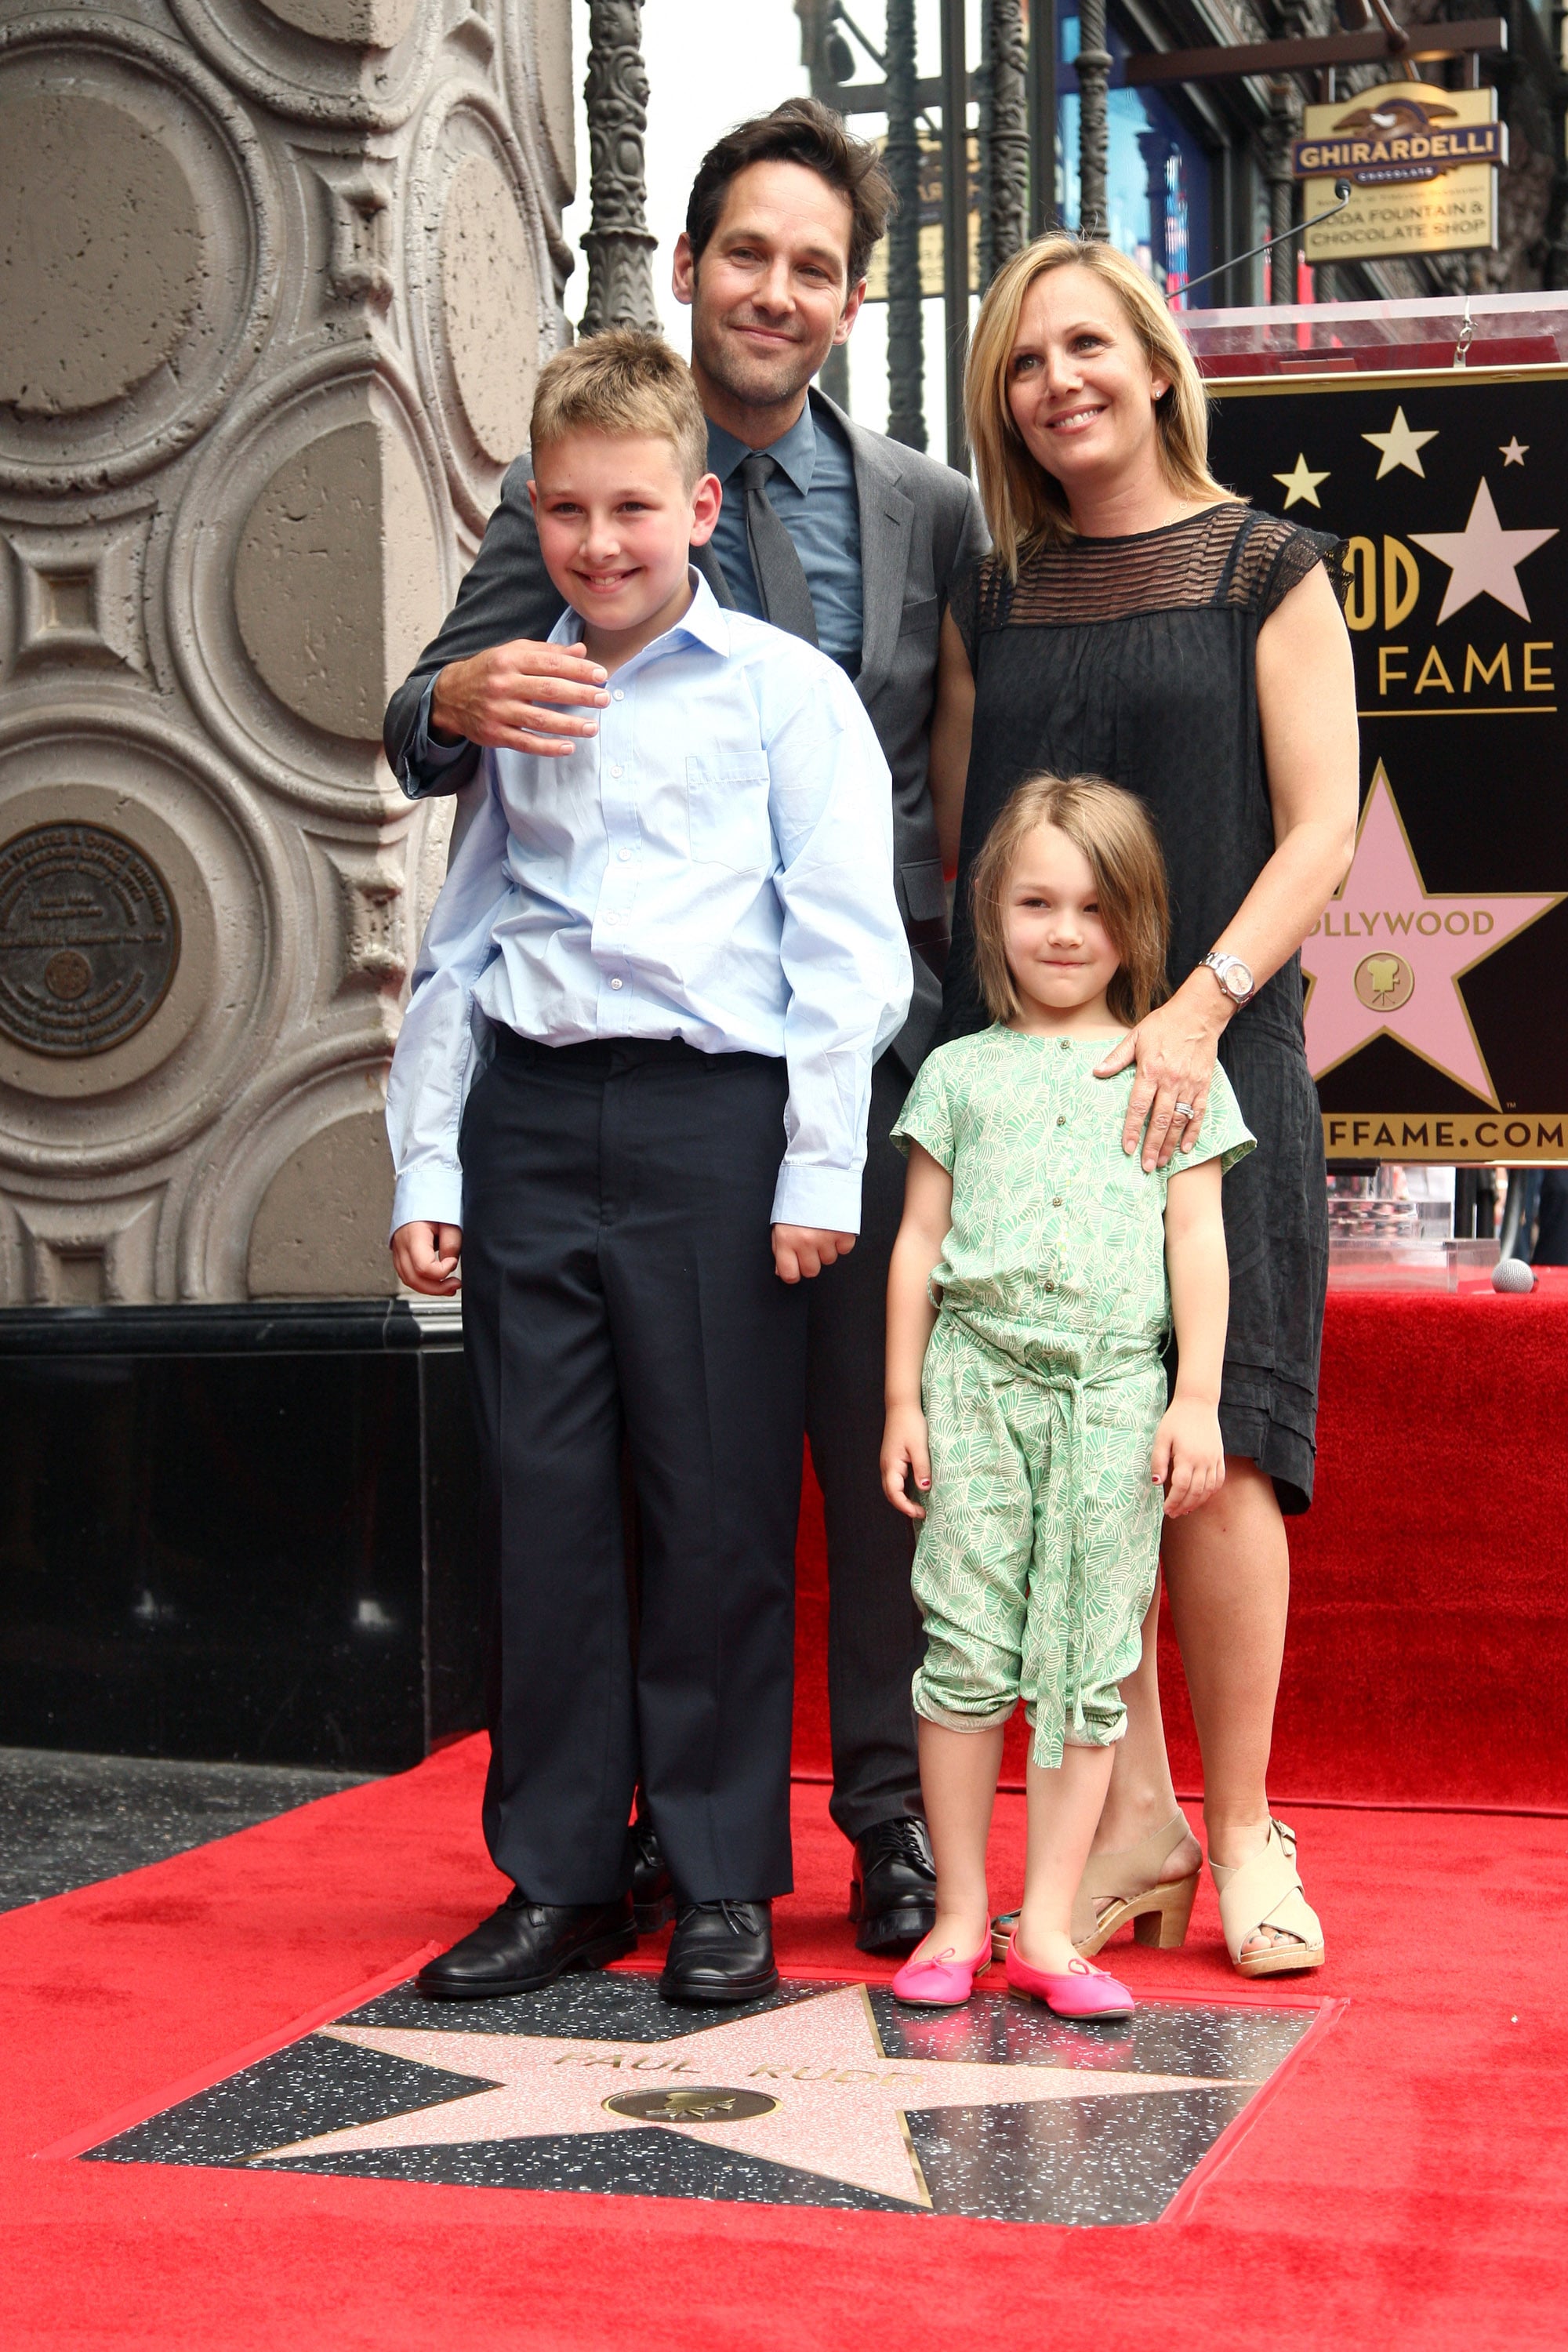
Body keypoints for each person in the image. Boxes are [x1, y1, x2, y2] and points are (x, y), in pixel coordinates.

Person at [383, 98, 987, 1957]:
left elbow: (931, 821)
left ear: (849, 298)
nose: (777, 290)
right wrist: (455, 698)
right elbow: (457, 830)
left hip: (810, 1079)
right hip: (561, 1105)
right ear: (693, 263)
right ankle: (577, 1858)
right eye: (749, 252)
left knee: (792, 1481)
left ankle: (815, 1842)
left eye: (815, 266)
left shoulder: (915, 518)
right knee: (567, 1496)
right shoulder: (553, 578)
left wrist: (877, 1105)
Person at [935, 234, 1357, 1978]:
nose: (1059, 386)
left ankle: (1249, 1828)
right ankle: (1137, 1825)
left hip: (1219, 1063)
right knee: (1070, 1463)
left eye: (1087, 347)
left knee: (1220, 1449)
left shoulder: (1268, 566)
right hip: (1038, 1092)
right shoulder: (991, 590)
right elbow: (971, 855)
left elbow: (1320, 827)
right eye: (1025, 364)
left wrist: (1191, 1010)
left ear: (1157, 360)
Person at [880, 776, 1254, 2017]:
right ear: (992, 915)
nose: (1064, 931)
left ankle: (1047, 1927)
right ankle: (953, 1917)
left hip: (1110, 1399)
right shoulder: (957, 1073)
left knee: (1091, 1658)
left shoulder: (1170, 1069)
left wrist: (1194, 1400)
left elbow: (1197, 1243)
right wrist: (903, 1401)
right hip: (975, 1385)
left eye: (1094, 907)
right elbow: (918, 1244)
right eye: (1037, 901)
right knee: (969, 1647)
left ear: (1136, 923)